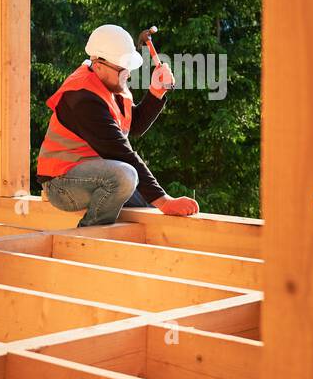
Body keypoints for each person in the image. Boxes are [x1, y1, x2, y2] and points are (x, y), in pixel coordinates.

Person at [36, 25, 200, 227]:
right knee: (126, 176)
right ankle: (90, 235)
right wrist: (165, 201)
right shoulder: (83, 98)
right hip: (61, 183)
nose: (128, 75)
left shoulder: (109, 85)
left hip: (97, 177)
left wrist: (156, 93)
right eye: (123, 70)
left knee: (143, 204)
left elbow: (135, 126)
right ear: (98, 66)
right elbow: (120, 152)